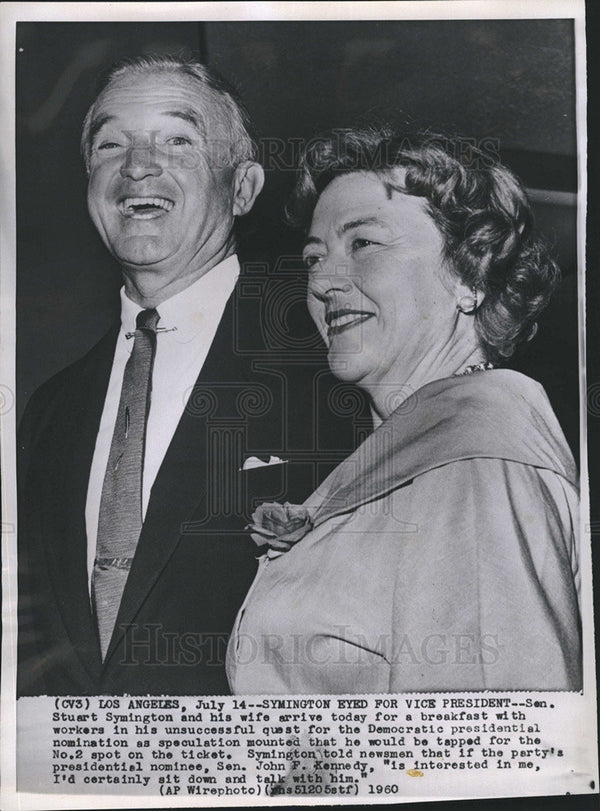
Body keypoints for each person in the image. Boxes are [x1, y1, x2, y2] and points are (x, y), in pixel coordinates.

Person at [226, 127, 582, 694]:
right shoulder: (424, 456)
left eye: (362, 244)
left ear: (469, 275)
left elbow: (485, 752)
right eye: (314, 258)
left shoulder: (475, 463)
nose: (323, 282)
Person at [17, 55, 321, 695]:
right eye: (110, 143)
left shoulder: (328, 366)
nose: (137, 166)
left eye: (178, 140)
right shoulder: (47, 410)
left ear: (242, 189)